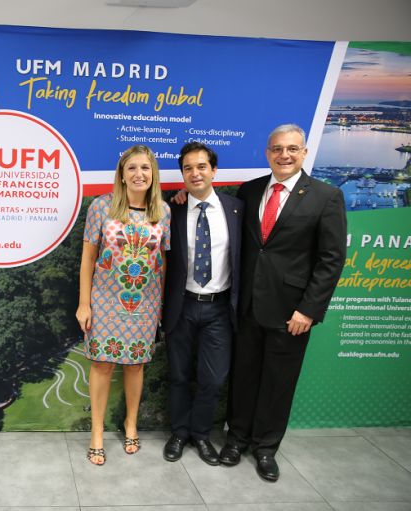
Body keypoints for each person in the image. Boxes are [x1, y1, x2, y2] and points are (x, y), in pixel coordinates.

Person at [220, 124, 347, 481]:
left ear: (304, 153)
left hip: (292, 312)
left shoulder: (326, 196)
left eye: (292, 148)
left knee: (278, 383)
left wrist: (309, 309)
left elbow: (331, 259)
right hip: (247, 307)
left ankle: (265, 448)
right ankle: (237, 439)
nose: (284, 155)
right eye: (277, 148)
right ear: (267, 153)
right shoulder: (250, 190)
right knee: (244, 377)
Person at [76, 145, 171, 465]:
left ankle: (131, 424)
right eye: (131, 168)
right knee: (101, 365)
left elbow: (162, 262)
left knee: (135, 365)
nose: (138, 174)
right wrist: (84, 304)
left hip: (145, 303)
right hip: (104, 302)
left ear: (153, 173)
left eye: (145, 167)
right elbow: (88, 258)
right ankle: (97, 432)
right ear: (122, 174)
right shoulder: (101, 207)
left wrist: (160, 305)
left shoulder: (164, 211)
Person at [161, 142, 244, 466]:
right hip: (181, 306)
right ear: (182, 174)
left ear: (214, 170)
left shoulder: (237, 209)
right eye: (188, 168)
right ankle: (180, 433)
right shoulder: (172, 209)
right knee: (179, 376)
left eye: (201, 167)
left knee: (213, 379)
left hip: (220, 308)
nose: (195, 173)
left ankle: (201, 435)